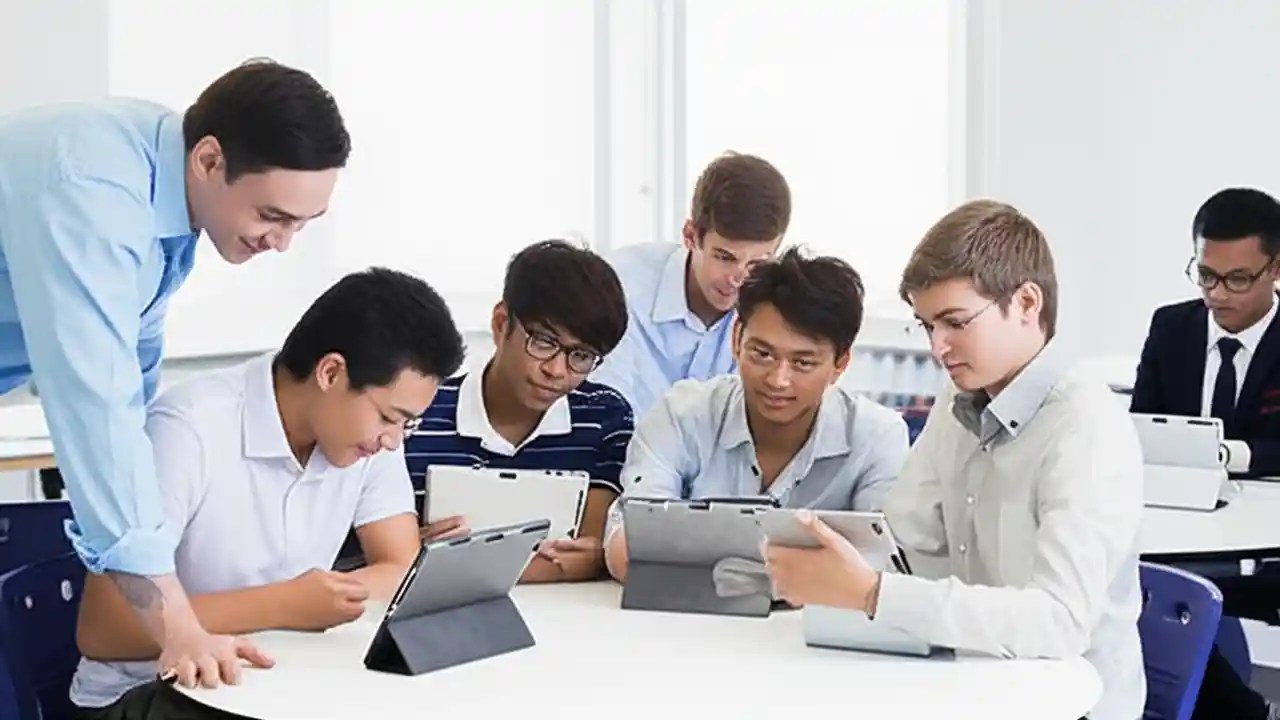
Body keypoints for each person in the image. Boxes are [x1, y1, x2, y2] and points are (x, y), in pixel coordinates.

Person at [0, 59, 351, 688]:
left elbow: (131, 378)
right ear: (211, 161)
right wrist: (177, 627)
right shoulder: (93, 190)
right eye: (273, 215)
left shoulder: (167, 182)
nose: (283, 243)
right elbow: (95, 405)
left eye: (302, 224)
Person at [763, 201, 1145, 720]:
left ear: (1027, 304)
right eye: (926, 326)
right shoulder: (959, 398)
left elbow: (1059, 622)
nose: (938, 348)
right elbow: (907, 539)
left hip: (1069, 703)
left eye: (955, 322)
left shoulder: (1086, 427)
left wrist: (874, 594)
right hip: (970, 682)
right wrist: (833, 564)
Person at [70, 267, 464, 719]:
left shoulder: (368, 439)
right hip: (152, 692)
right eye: (390, 418)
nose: (394, 439)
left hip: (275, 683)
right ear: (331, 372)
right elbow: (104, 629)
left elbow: (399, 568)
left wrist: (323, 600)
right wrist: (286, 605)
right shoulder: (189, 429)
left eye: (407, 423)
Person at [605, 248, 908, 582]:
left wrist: (698, 562)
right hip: (682, 625)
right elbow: (630, 546)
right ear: (737, 339)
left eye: (803, 363)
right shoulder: (681, 414)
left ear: (840, 364)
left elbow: (883, 569)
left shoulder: (877, 436)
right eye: (762, 354)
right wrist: (805, 573)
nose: (778, 380)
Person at [1132, 187, 1280, 720]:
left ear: (1275, 269)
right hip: (1175, 524)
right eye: (1205, 274)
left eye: (1238, 278)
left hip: (1266, 542)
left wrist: (1227, 454)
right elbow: (1141, 427)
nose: (1218, 294)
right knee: (1128, 585)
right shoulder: (1171, 327)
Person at [405, 240, 632, 583]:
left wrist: (442, 562)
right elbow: (392, 555)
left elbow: (587, 552)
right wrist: (407, 555)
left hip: (576, 619)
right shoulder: (417, 412)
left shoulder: (603, 416)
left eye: (581, 356)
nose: (557, 370)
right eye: (543, 342)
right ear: (500, 323)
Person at [592, 151, 791, 418]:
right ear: (690, 236)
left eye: (756, 264)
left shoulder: (777, 313)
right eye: (724, 257)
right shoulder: (618, 284)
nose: (738, 278)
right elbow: (602, 414)